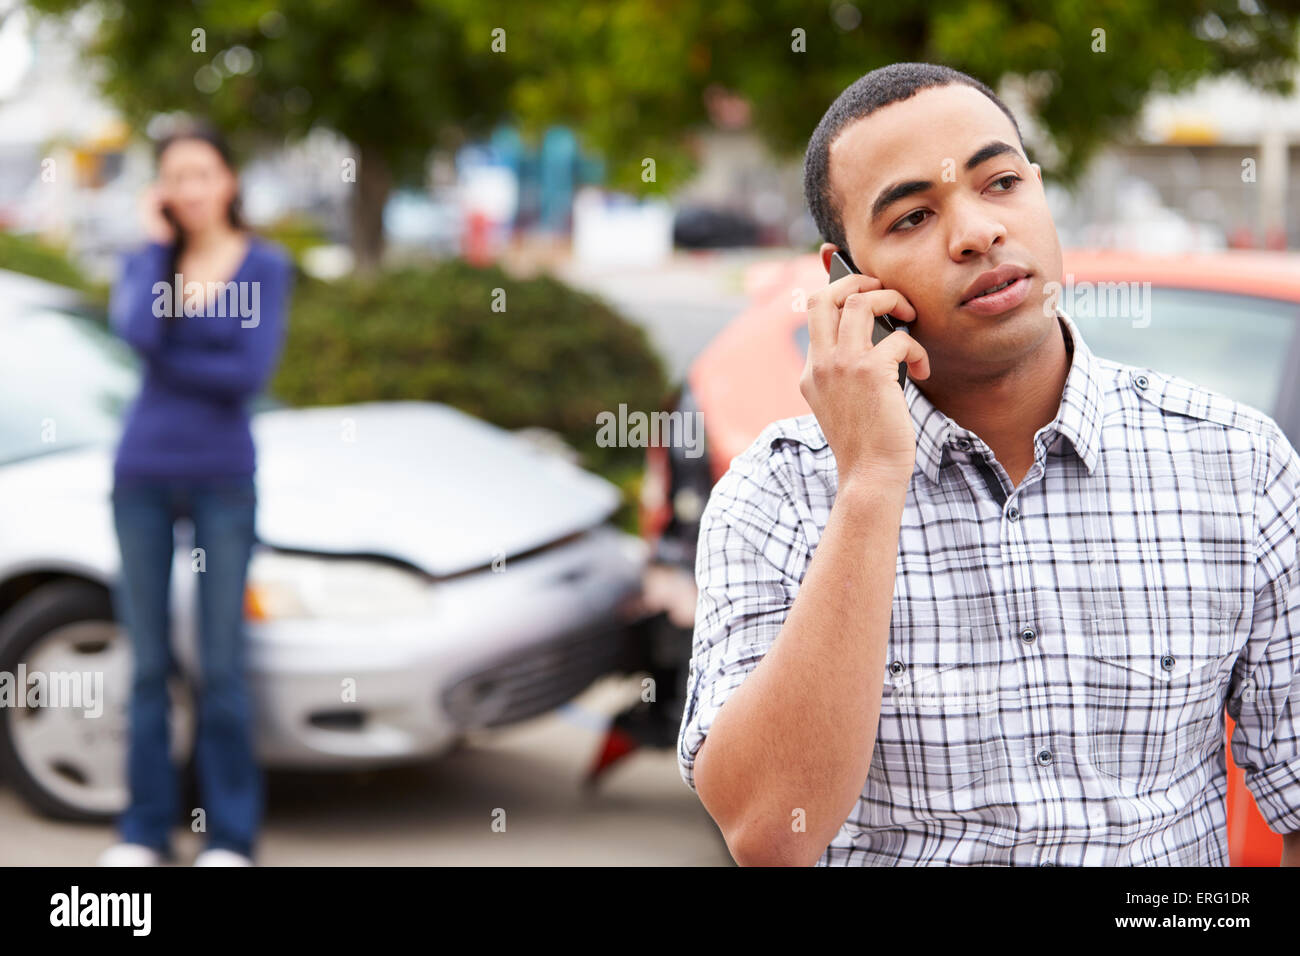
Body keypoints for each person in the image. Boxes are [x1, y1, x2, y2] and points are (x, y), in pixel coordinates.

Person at [677, 62, 1300, 866]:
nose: (976, 231)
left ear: (1039, 191)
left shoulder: (1237, 464)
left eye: (1000, 181)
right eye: (911, 218)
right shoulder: (779, 494)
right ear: (845, 277)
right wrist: (869, 482)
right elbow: (767, 828)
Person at [97, 124, 294, 866]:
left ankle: (231, 838)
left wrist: (171, 349)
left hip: (223, 479)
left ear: (229, 180)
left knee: (221, 666)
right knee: (147, 665)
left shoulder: (265, 266)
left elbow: (248, 373)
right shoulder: (151, 261)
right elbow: (134, 329)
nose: (189, 189)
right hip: (142, 473)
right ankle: (144, 830)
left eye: (202, 173)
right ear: (161, 190)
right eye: (174, 177)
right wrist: (154, 248)